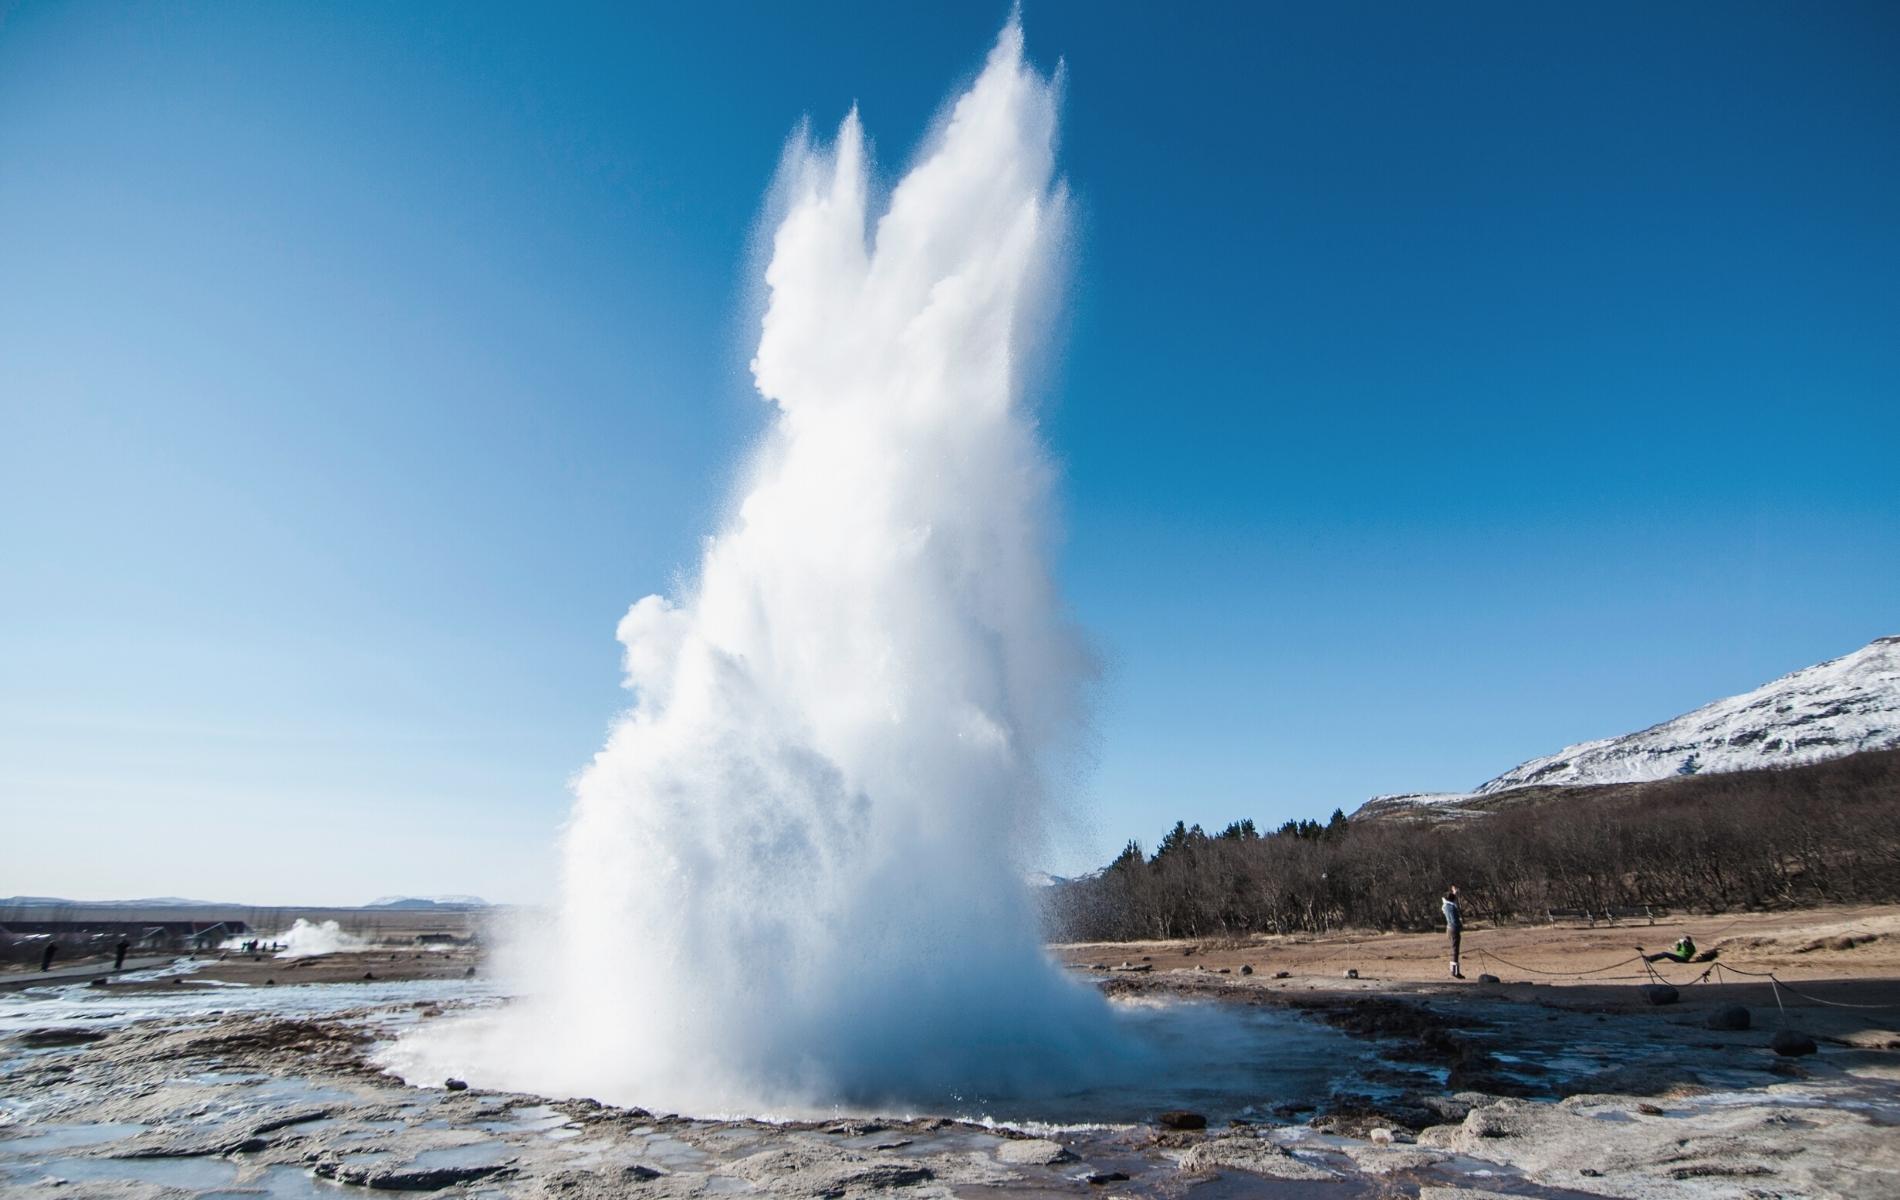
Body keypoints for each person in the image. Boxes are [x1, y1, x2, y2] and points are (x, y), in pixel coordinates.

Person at [1443, 886, 1464, 979]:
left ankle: (1454, 971)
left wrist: (1454, 893)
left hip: (1449, 928)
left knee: (1454, 950)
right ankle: (1455, 972)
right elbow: (1454, 920)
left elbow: (1450, 900)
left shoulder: (1446, 905)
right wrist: (1459, 926)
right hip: (1454, 929)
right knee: (1455, 951)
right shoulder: (1451, 907)